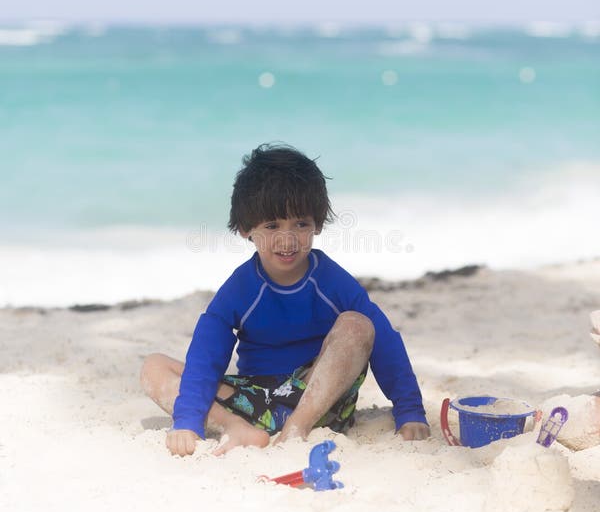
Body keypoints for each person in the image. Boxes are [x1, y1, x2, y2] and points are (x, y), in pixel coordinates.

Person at [140, 143, 430, 457]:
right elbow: (206, 355)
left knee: (359, 324)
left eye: (300, 224)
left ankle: (296, 429)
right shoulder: (241, 288)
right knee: (154, 367)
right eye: (272, 226)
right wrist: (187, 420)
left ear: (317, 224)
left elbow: (384, 341)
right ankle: (233, 426)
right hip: (256, 402)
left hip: (320, 401)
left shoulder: (331, 281)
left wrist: (410, 410)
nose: (287, 239)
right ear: (245, 229)